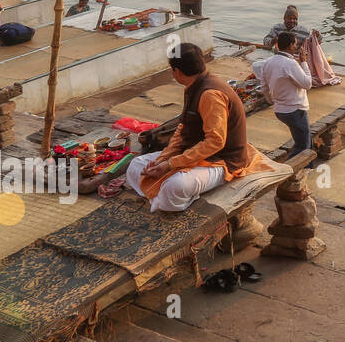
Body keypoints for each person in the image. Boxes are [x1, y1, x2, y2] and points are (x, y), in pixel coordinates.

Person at [125, 44, 267, 212]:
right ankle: (161, 198)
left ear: (176, 71)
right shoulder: (193, 87)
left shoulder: (210, 95)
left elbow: (215, 142)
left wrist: (171, 164)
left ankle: (167, 198)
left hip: (221, 161)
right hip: (192, 152)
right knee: (136, 166)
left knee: (175, 186)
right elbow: (181, 130)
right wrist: (162, 160)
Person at [252, 31, 314, 161]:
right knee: (303, 146)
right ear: (291, 45)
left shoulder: (268, 62)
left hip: (280, 110)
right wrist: (304, 62)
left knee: (305, 139)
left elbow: (264, 86)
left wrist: (271, 101)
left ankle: (308, 168)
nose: (296, 47)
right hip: (295, 110)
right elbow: (307, 84)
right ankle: (288, 169)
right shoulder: (290, 64)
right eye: (295, 44)